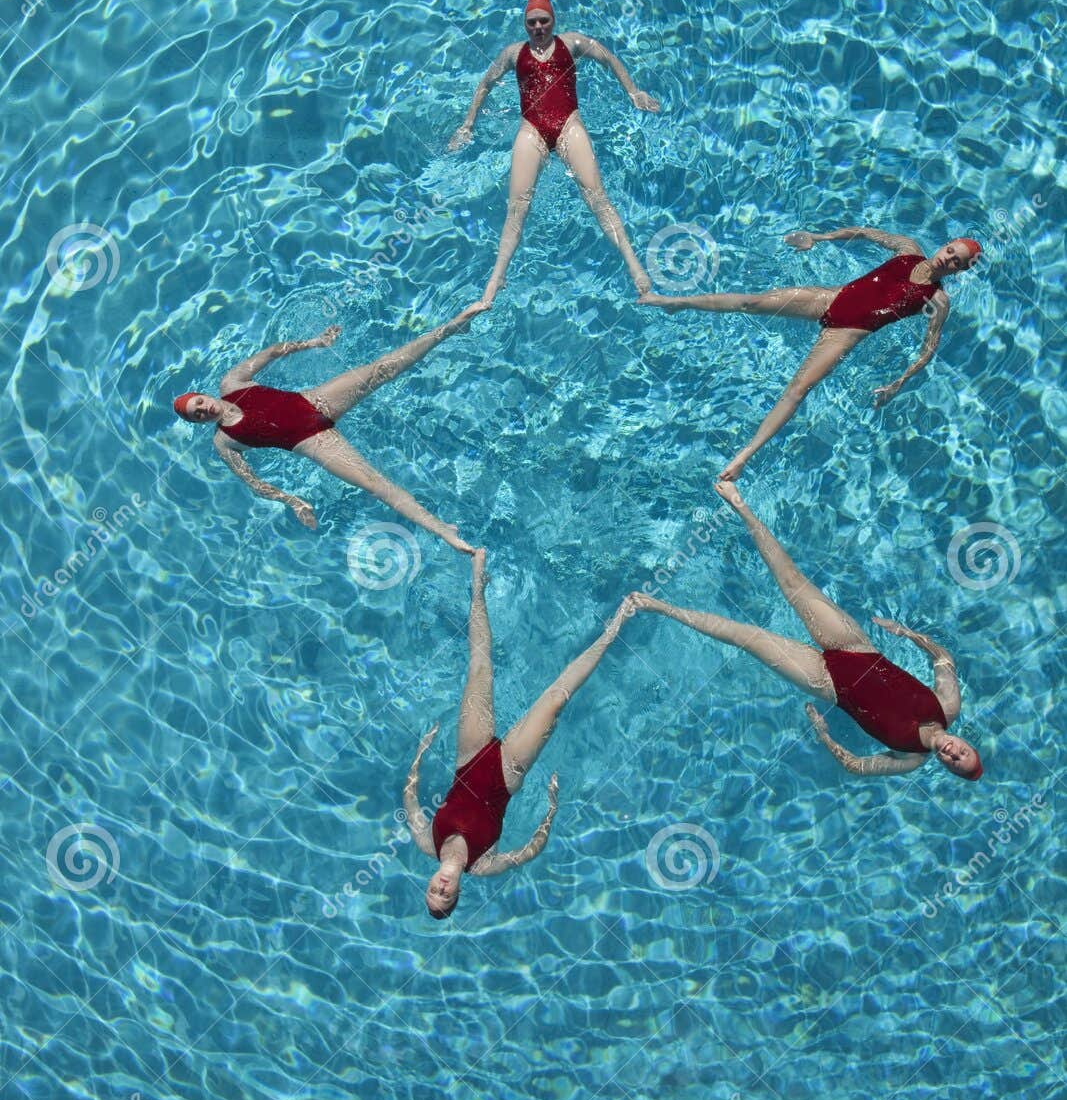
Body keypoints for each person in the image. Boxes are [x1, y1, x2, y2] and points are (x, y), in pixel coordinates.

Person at [632, 480, 982, 781]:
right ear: (966, 743)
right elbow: (943, 657)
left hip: (826, 682)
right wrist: (906, 634)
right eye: (963, 753)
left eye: (954, 763)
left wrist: (824, 735)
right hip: (857, 648)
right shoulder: (948, 705)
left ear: (946, 767)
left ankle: (659, 607)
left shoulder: (910, 760)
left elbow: (857, 766)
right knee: (793, 582)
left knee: (747, 637)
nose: (953, 754)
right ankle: (739, 503)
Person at [640, 226, 980, 479]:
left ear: (959, 271)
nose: (948, 257)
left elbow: (929, 347)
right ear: (946, 244)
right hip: (829, 298)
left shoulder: (937, 301)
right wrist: (818, 238)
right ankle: (675, 303)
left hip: (847, 333)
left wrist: (899, 382)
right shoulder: (907, 248)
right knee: (751, 301)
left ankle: (743, 456)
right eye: (951, 250)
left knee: (798, 389)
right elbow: (863, 232)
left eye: (956, 262)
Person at [404, 551, 635, 916]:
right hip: (506, 774)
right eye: (446, 896)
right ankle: (616, 625)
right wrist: (551, 810)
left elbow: (411, 799)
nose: (441, 888)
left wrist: (420, 752)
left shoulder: (425, 841)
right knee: (557, 699)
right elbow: (528, 852)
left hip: (469, 757)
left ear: (429, 882)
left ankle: (477, 583)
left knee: (480, 667)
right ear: (457, 893)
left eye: (433, 891)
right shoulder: (483, 866)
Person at [173, 309, 482, 552]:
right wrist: (292, 501)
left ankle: (451, 327)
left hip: (317, 400)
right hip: (313, 442)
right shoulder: (224, 442)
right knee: (375, 484)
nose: (203, 409)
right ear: (199, 422)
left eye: (199, 402)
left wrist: (315, 343)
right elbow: (254, 482)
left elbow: (270, 352)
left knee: (381, 369)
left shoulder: (231, 383)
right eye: (197, 414)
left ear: (204, 394)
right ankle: (442, 529)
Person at [448, 0, 660, 303]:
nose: (538, 27)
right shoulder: (512, 54)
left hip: (569, 127)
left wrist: (633, 91)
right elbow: (485, 84)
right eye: (531, 22)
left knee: (597, 198)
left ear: (553, 20)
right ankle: (497, 277)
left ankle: (633, 264)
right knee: (517, 207)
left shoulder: (571, 43)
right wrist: (467, 125)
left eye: (543, 21)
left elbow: (609, 58)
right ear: (524, 24)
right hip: (531, 130)